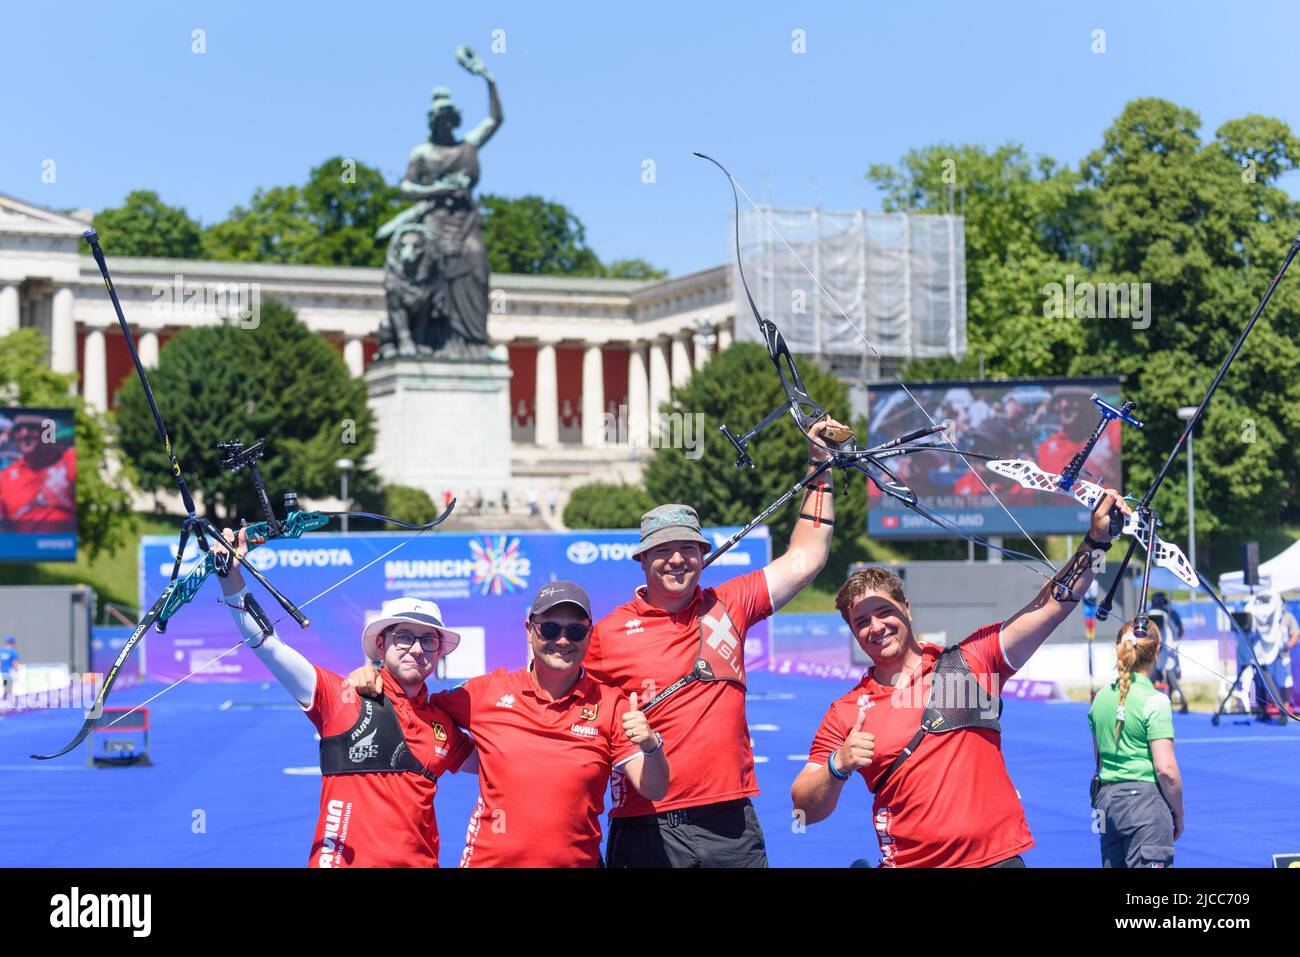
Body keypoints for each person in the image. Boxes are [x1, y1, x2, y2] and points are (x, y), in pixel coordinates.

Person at [790, 487, 1131, 867]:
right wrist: (838, 764)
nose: (876, 627)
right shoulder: (847, 711)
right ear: (853, 632)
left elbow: (1052, 605)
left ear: (906, 609)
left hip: (997, 861)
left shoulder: (972, 663)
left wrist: (1096, 541)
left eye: (883, 611)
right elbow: (804, 809)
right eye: (861, 621)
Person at [589, 417, 847, 868]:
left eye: (689, 548)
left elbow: (808, 557)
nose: (676, 559)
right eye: (663, 550)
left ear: (703, 555)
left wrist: (819, 466)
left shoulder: (730, 603)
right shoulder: (608, 633)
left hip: (730, 822)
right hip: (644, 822)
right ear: (643, 560)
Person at [348, 580, 669, 867]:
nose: (562, 640)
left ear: (589, 635)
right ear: (529, 630)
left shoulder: (611, 703)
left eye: (575, 631)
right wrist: (373, 677)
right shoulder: (485, 693)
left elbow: (653, 787)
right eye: (550, 628)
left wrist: (652, 746)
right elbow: (416, 702)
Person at [213, 527, 473, 867]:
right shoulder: (342, 697)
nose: (416, 649)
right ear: (381, 645)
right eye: (405, 637)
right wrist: (231, 578)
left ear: (439, 652)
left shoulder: (441, 725)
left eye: (429, 641)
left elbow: (502, 764)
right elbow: (266, 645)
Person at [1088, 619, 1183, 868]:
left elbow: (1099, 757)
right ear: (1157, 650)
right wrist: (1178, 812)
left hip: (1106, 801)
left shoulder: (1100, 698)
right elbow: (1166, 770)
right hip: (1144, 805)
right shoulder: (1155, 701)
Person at [0, 414, 76, 533]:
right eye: (18, 430)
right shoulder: (5, 477)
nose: (24, 434)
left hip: (62, 545)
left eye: (31, 428)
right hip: (22, 548)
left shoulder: (67, 459)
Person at [1149, 592, 1187, 713]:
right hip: (1157, 648)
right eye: (1157, 599)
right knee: (1154, 676)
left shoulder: (1169, 613)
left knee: (1170, 677)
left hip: (1167, 648)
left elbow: (1180, 628)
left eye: (1160, 599)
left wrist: (1174, 641)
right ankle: (1159, 703)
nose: (1158, 601)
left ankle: (1182, 703)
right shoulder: (1150, 613)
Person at [0, 636, 20, 701]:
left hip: (3, 674)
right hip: (10, 674)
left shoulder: (1, 651)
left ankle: (5, 701)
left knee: (6, 687)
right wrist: (16, 672)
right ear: (13, 643)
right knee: (9, 689)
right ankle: (7, 703)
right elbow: (15, 663)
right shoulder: (13, 652)